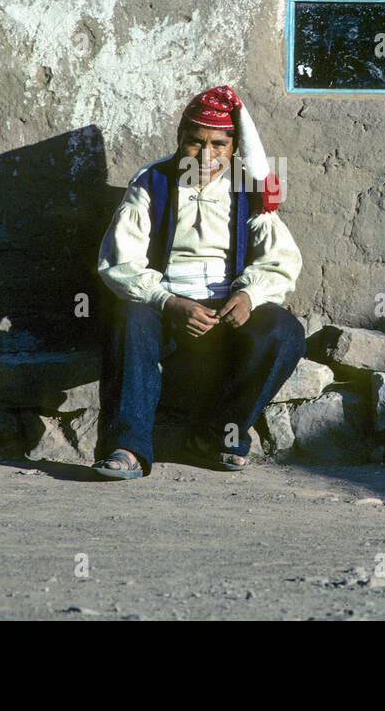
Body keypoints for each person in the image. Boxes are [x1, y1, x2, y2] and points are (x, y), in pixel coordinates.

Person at [93, 85, 306, 480]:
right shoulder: (152, 182)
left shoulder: (248, 186)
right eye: (195, 143)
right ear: (179, 140)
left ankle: (215, 438)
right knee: (127, 318)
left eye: (219, 145)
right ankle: (127, 447)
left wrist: (248, 295)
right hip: (165, 308)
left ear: (233, 147)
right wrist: (168, 301)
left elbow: (282, 260)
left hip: (226, 312)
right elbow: (118, 262)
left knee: (284, 332)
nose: (207, 156)